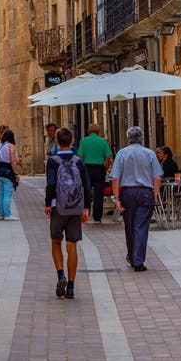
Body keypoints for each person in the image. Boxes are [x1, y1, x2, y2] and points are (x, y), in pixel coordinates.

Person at [45, 127, 90, 300]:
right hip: (75, 207)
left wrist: (48, 204)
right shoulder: (78, 161)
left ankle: (61, 276)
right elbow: (86, 186)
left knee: (56, 242)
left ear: (57, 141)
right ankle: (71, 287)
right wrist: (86, 208)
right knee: (72, 245)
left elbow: (51, 184)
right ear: (72, 142)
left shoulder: (53, 161)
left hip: (58, 206)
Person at [110, 126, 162, 272]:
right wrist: (155, 195)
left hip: (127, 193)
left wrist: (117, 199)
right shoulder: (150, 153)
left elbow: (115, 179)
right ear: (142, 138)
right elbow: (157, 177)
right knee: (141, 227)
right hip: (145, 193)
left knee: (129, 226)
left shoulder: (122, 153)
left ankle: (133, 258)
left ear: (128, 138)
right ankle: (138, 260)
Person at [77, 123, 113, 223]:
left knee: (86, 192)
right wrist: (105, 168)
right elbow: (108, 157)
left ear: (89, 131)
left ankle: (86, 214)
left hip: (87, 169)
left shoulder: (83, 141)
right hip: (99, 169)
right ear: (98, 131)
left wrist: (82, 169)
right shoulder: (103, 142)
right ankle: (97, 217)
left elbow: (80, 156)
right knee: (99, 193)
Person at [0, 128, 20, 220]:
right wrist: (16, 173)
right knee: (7, 193)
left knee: (0, 193)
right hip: (7, 171)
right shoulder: (11, 146)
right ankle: (7, 214)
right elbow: (12, 161)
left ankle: (1, 214)